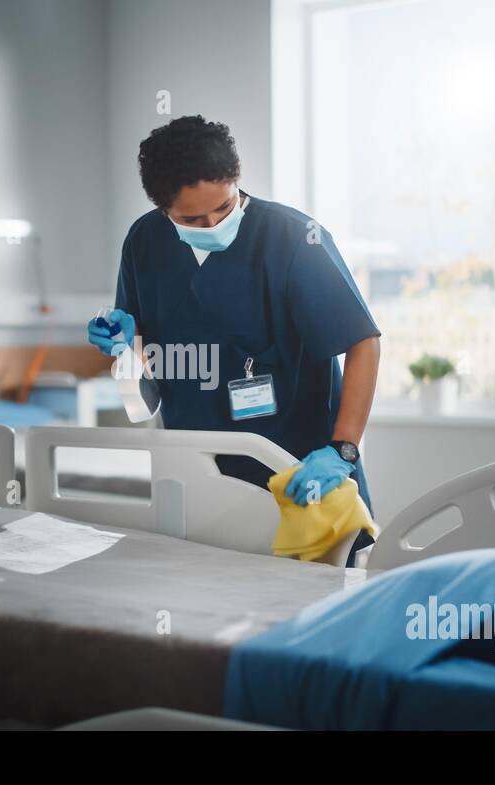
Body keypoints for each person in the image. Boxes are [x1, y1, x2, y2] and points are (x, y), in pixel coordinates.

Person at [88, 115, 381, 566]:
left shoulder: (294, 238)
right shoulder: (145, 241)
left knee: (308, 610)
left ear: (236, 180)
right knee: (202, 609)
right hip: (198, 471)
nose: (212, 224)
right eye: (191, 217)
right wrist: (124, 346)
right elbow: (143, 365)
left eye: (224, 208)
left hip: (300, 469)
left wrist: (342, 449)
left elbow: (362, 342)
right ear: (162, 208)